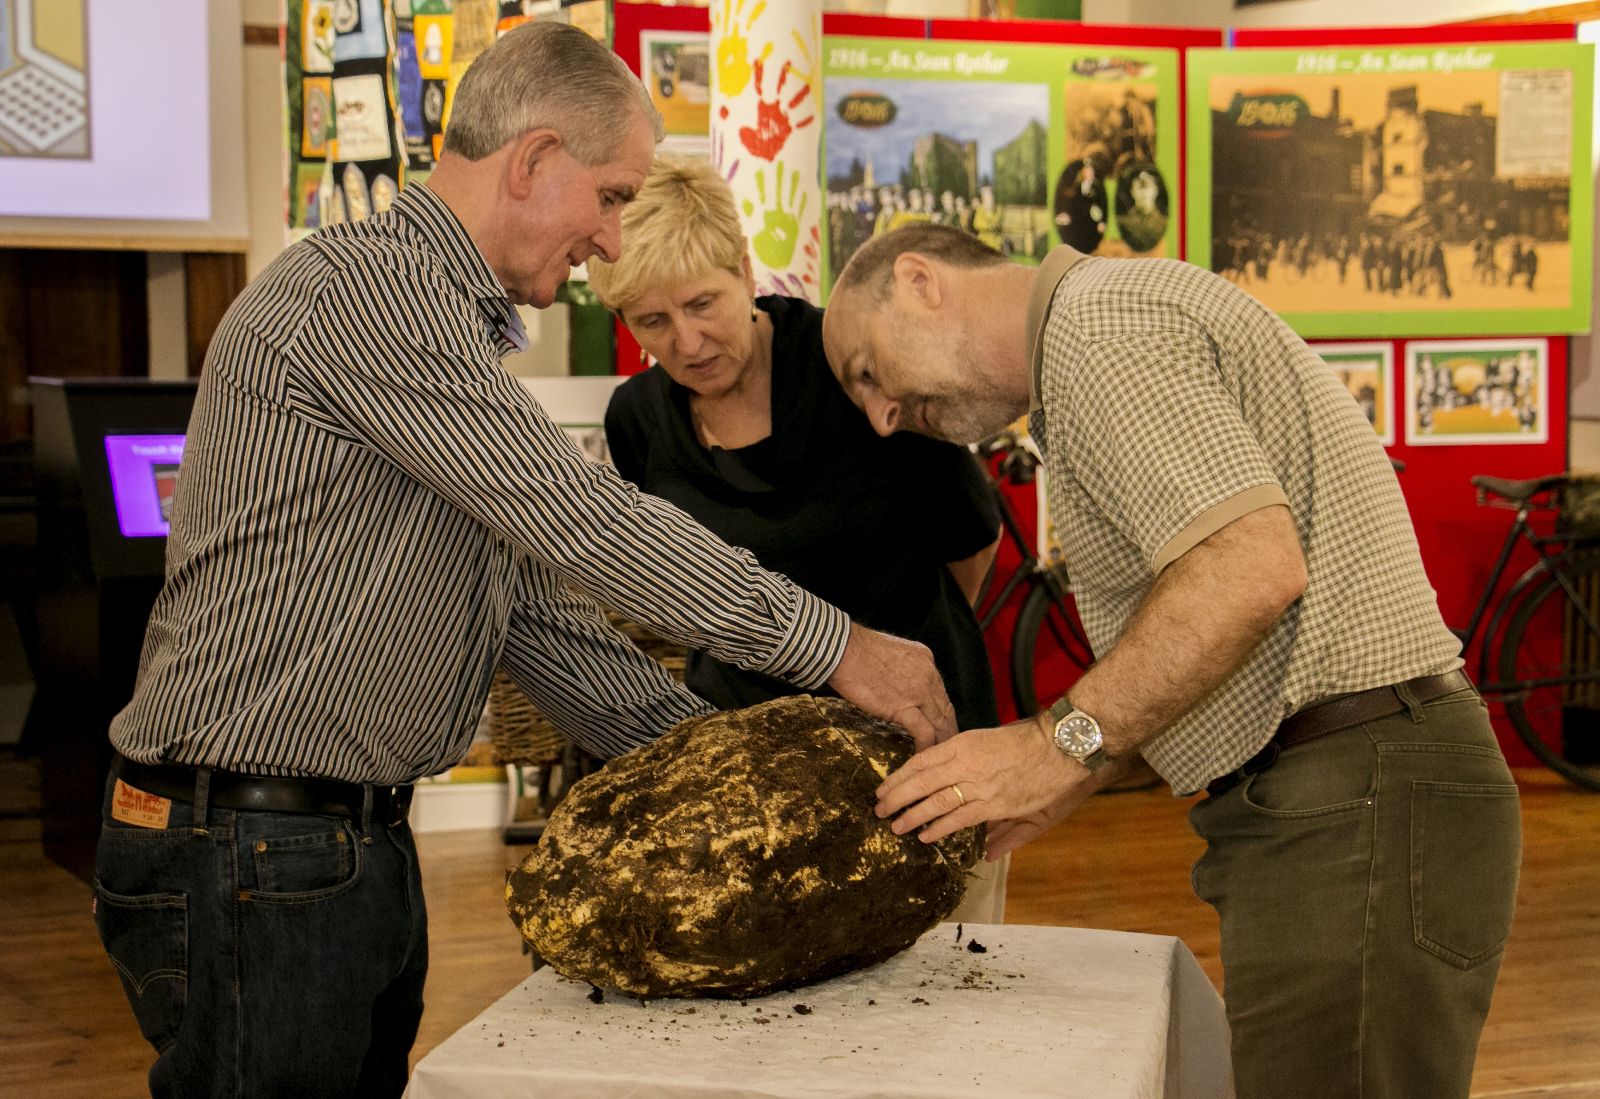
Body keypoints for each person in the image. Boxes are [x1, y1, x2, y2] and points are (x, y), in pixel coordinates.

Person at [94, 24, 955, 1098]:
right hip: (254, 847)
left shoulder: (440, 332)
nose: (609, 238)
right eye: (608, 196)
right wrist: (839, 649)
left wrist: (743, 775)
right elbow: (584, 520)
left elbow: (536, 620)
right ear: (534, 161)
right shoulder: (366, 295)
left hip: (328, 847)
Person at [820, 223, 1520, 1098]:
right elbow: (1231, 622)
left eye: (867, 372)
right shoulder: (1091, 345)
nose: (884, 417)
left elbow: (1248, 570)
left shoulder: (1097, 328)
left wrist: (1052, 747)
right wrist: (1075, 777)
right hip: (1345, 796)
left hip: (1355, 796)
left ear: (920, 280)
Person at [586, 156, 1007, 921]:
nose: (687, 341)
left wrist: (913, 640)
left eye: (702, 302)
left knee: (946, 992)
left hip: (920, 748)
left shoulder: (851, 364)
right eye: (652, 321)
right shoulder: (638, 419)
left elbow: (970, 536)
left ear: (745, 271)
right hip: (749, 772)